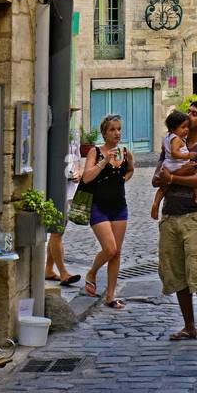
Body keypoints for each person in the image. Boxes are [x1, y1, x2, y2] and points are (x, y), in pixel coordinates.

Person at [152, 99, 197, 342]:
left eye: (194, 114)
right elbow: (156, 179)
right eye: (189, 112)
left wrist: (171, 178)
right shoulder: (172, 142)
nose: (189, 116)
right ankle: (189, 325)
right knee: (176, 272)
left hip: (195, 214)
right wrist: (169, 177)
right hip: (170, 213)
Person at [81, 114, 134, 308]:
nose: (117, 133)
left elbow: (130, 170)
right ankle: (92, 272)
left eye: (119, 129)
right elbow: (86, 177)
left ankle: (110, 296)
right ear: (104, 133)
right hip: (98, 207)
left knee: (117, 253)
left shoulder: (126, 152)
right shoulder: (95, 152)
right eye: (112, 129)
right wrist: (104, 162)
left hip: (119, 207)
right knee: (109, 248)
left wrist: (122, 180)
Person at [151, 110, 197, 219]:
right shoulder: (177, 139)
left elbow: (165, 149)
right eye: (183, 127)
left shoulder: (167, 138)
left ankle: (156, 203)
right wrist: (188, 156)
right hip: (178, 164)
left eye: (187, 127)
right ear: (173, 129)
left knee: (163, 188)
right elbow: (174, 153)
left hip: (167, 165)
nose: (186, 130)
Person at [45, 149, 82, 286]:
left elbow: (77, 159)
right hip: (57, 190)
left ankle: (48, 270)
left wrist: (79, 172)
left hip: (70, 191)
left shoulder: (74, 134)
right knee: (57, 233)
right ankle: (63, 273)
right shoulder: (59, 131)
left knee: (58, 232)